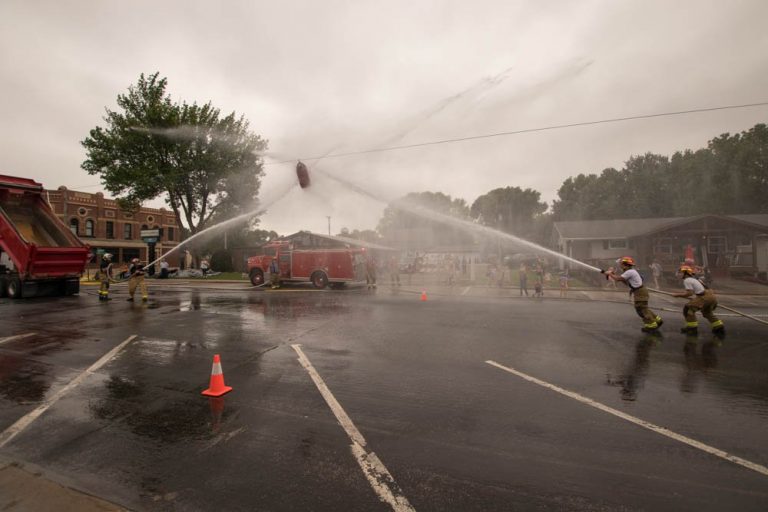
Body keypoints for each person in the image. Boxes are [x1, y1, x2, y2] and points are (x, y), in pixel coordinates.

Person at [607, 256, 663, 332]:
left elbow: (617, 279)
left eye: (621, 264)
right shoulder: (631, 271)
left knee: (641, 310)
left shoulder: (629, 272)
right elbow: (626, 282)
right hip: (640, 291)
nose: (620, 266)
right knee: (644, 309)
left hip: (640, 292)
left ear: (625, 265)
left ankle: (651, 325)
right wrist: (612, 275)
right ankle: (657, 320)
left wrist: (609, 274)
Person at [672, 264, 724, 335]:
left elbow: (689, 293)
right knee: (707, 312)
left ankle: (692, 328)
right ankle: (719, 327)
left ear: (685, 273)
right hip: (711, 296)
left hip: (704, 297)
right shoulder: (695, 279)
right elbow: (703, 289)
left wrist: (677, 295)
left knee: (688, 309)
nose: (678, 274)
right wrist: (698, 299)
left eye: (680, 272)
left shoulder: (687, 280)